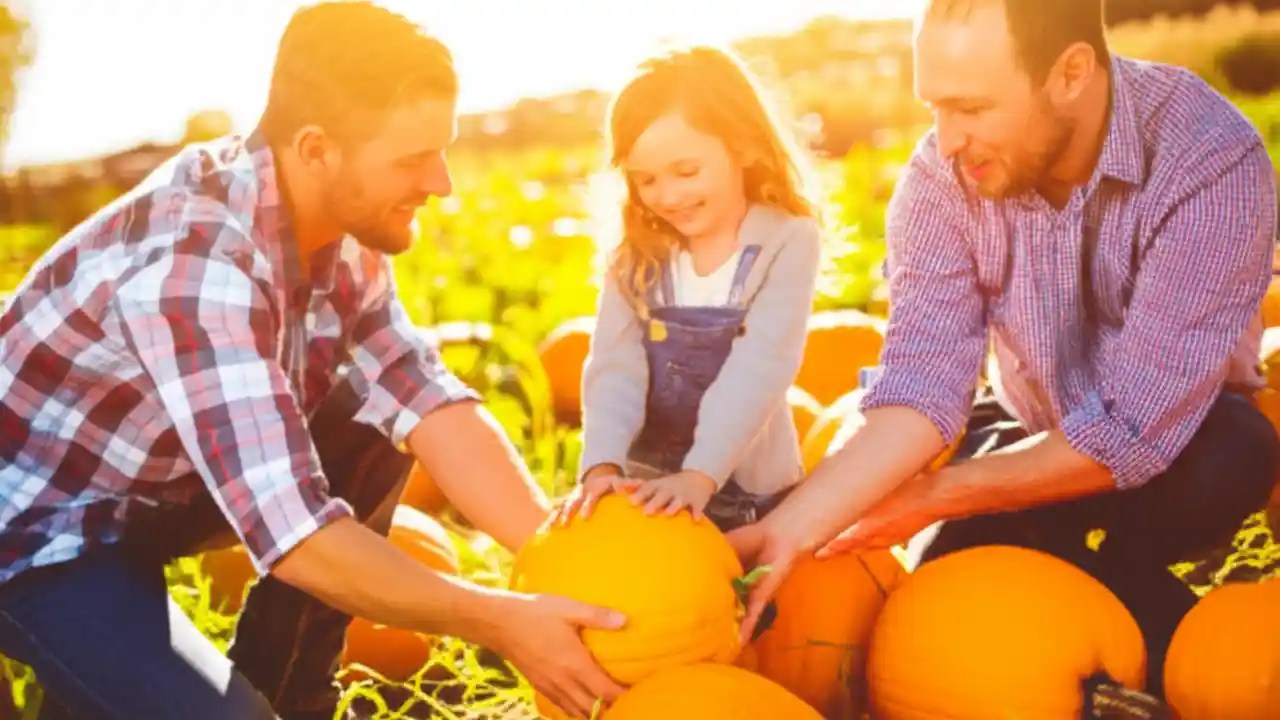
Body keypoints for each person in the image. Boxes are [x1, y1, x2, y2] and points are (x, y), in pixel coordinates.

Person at [0, 3, 626, 718]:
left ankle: (284, 690)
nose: (442, 181)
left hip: (148, 489)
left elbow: (422, 394)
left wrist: (562, 562)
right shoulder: (197, 267)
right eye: (413, 157)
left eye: (442, 149)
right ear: (316, 147)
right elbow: (299, 538)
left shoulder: (342, 220)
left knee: (371, 414)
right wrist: (503, 620)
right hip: (39, 539)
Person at [732, 0, 1280, 699]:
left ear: (1072, 73)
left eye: (972, 108)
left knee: (1237, 452)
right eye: (933, 107)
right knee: (944, 577)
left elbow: (1133, 429)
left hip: (1178, 442)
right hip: (1025, 433)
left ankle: (1129, 624)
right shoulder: (939, 183)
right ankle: (1116, 624)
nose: (947, 140)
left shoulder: (1207, 159)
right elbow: (921, 388)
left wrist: (939, 495)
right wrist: (789, 529)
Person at [554, 46, 823, 533]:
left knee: (755, 600)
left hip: (746, 489)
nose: (668, 196)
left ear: (742, 146)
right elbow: (615, 367)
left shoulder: (786, 239)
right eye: (646, 180)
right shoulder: (637, 254)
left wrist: (701, 475)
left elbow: (760, 366)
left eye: (686, 172)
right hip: (646, 484)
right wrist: (603, 464)